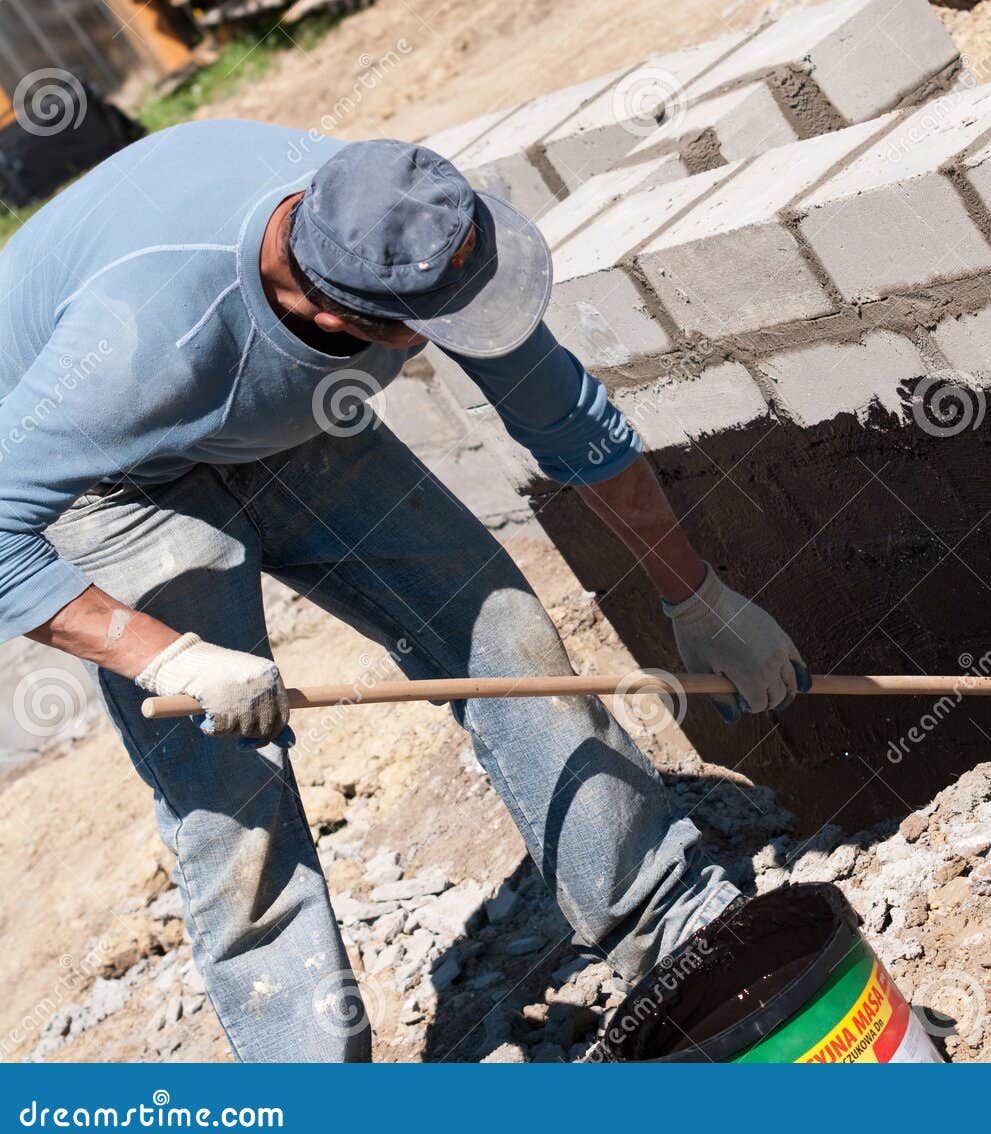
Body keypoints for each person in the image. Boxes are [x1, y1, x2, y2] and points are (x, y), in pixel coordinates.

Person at [0, 120, 809, 1061]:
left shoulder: (398, 223)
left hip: (276, 410)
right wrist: (167, 655)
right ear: (348, 322)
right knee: (228, 778)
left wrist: (694, 597)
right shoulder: (139, 344)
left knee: (495, 627)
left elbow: (564, 415)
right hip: (110, 476)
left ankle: (664, 919)